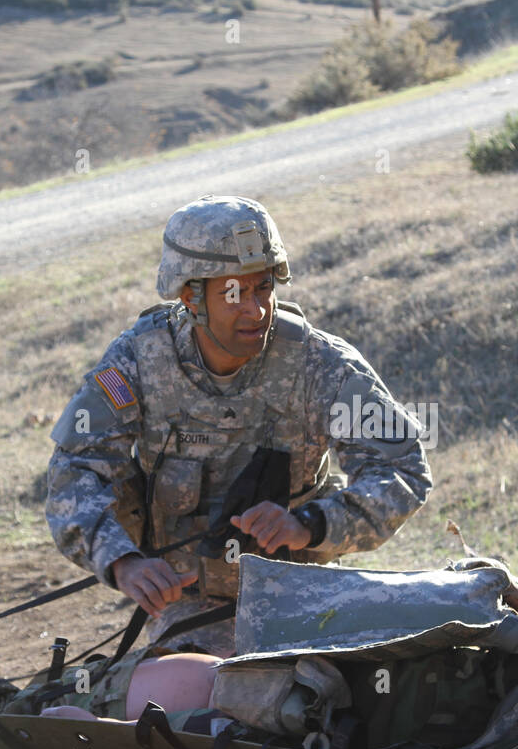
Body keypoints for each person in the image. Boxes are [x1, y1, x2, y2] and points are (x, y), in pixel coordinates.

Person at [45, 194, 433, 657]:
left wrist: (308, 524)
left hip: (301, 593)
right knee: (195, 699)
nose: (256, 310)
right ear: (191, 297)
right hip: (191, 605)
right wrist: (122, 560)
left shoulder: (319, 366)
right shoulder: (140, 362)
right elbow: (75, 470)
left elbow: (402, 469)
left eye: (263, 288)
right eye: (234, 293)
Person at [35, 561, 518, 725]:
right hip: (288, 663)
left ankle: (71, 714)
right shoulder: (504, 617)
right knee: (227, 680)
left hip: (294, 692)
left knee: (227, 685)